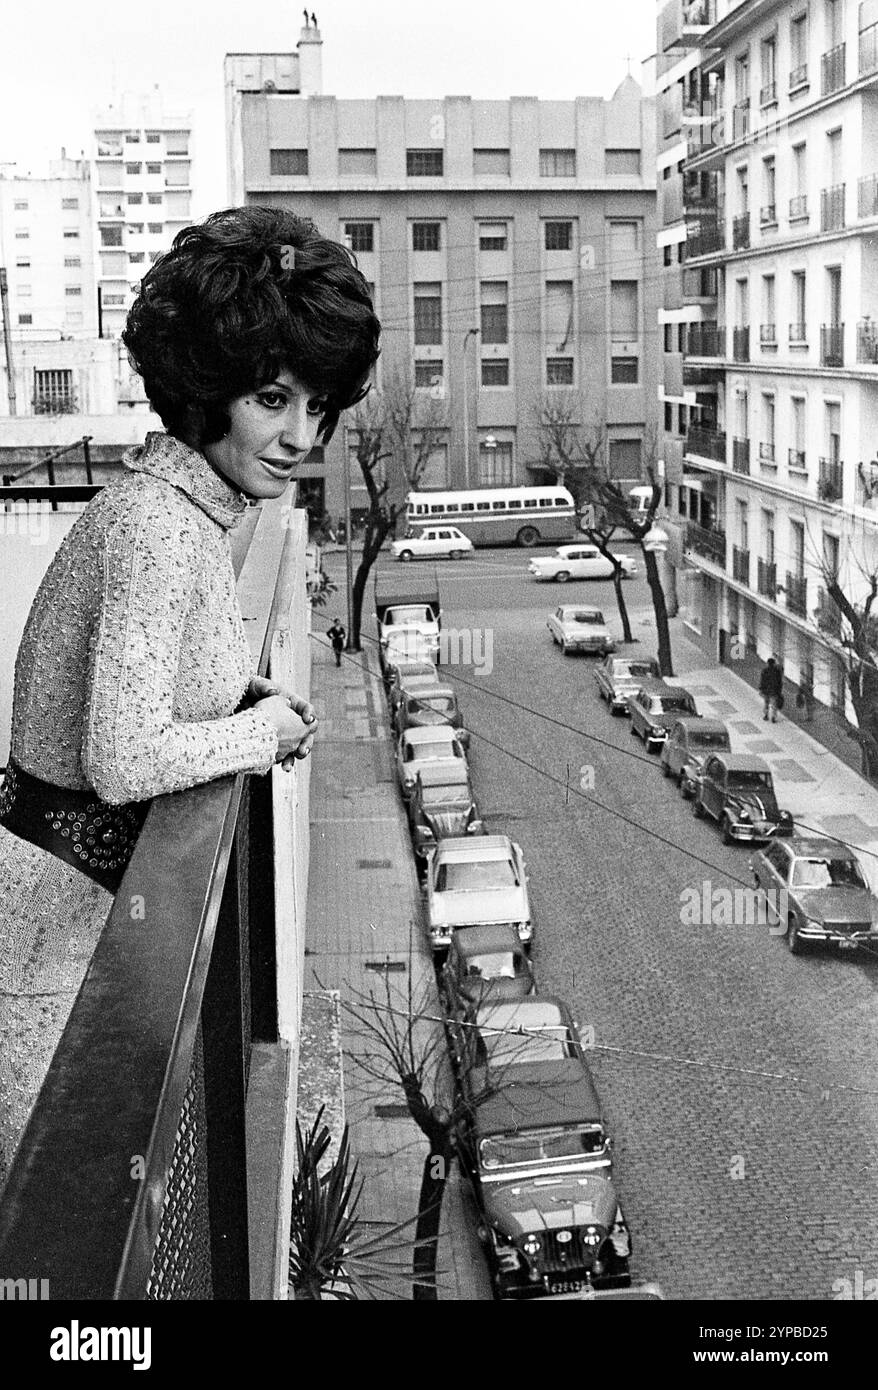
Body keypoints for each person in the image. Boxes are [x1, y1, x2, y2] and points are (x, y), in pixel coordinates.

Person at [0, 205, 380, 1188]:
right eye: (270, 399)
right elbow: (120, 760)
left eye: (318, 406)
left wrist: (242, 699)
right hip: (48, 953)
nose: (302, 436)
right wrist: (258, 730)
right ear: (206, 390)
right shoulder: (162, 527)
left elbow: (160, 677)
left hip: (76, 926)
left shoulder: (174, 505)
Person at [759, 655, 783, 722]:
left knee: (766, 703)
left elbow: (762, 681)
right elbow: (780, 682)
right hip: (774, 691)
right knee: (774, 704)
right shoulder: (777, 671)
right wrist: (779, 691)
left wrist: (761, 689)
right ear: (774, 663)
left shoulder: (765, 670)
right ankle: (773, 717)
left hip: (766, 690)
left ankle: (766, 715)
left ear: (768, 663)